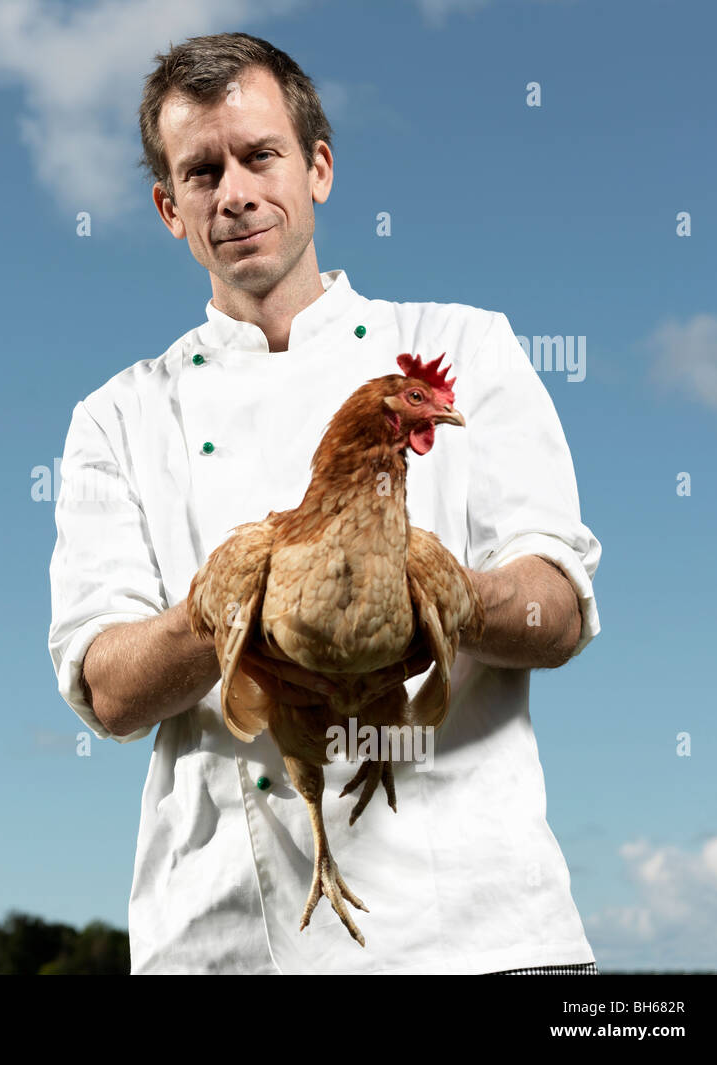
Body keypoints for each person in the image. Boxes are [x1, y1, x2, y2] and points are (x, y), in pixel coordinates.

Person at [47, 32, 602, 974]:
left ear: (319, 168)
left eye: (261, 155)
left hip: (474, 929)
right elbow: (104, 686)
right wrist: (232, 604)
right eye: (200, 172)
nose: (235, 193)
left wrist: (434, 593)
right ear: (168, 209)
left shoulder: (466, 344)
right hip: (223, 936)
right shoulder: (117, 416)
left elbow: (559, 607)